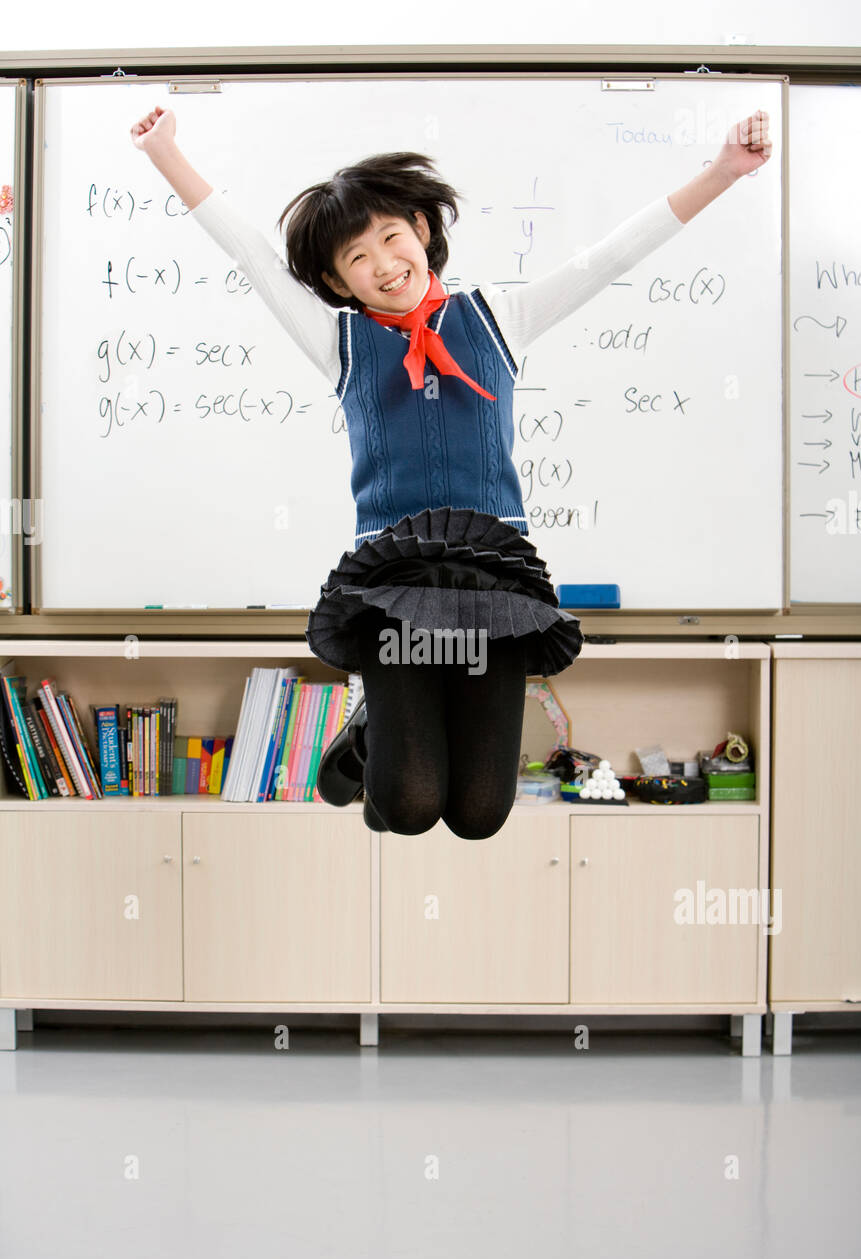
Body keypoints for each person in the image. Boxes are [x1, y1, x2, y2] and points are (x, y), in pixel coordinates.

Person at [130, 106, 772, 839]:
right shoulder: (340, 342)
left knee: (477, 815)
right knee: (405, 808)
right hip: (393, 583)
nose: (382, 263)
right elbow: (249, 254)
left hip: (491, 578)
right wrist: (164, 154)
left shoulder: (496, 317)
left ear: (422, 230)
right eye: (356, 259)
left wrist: (721, 172)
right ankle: (373, 731)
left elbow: (611, 259)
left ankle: (379, 725)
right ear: (339, 282)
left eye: (390, 238)